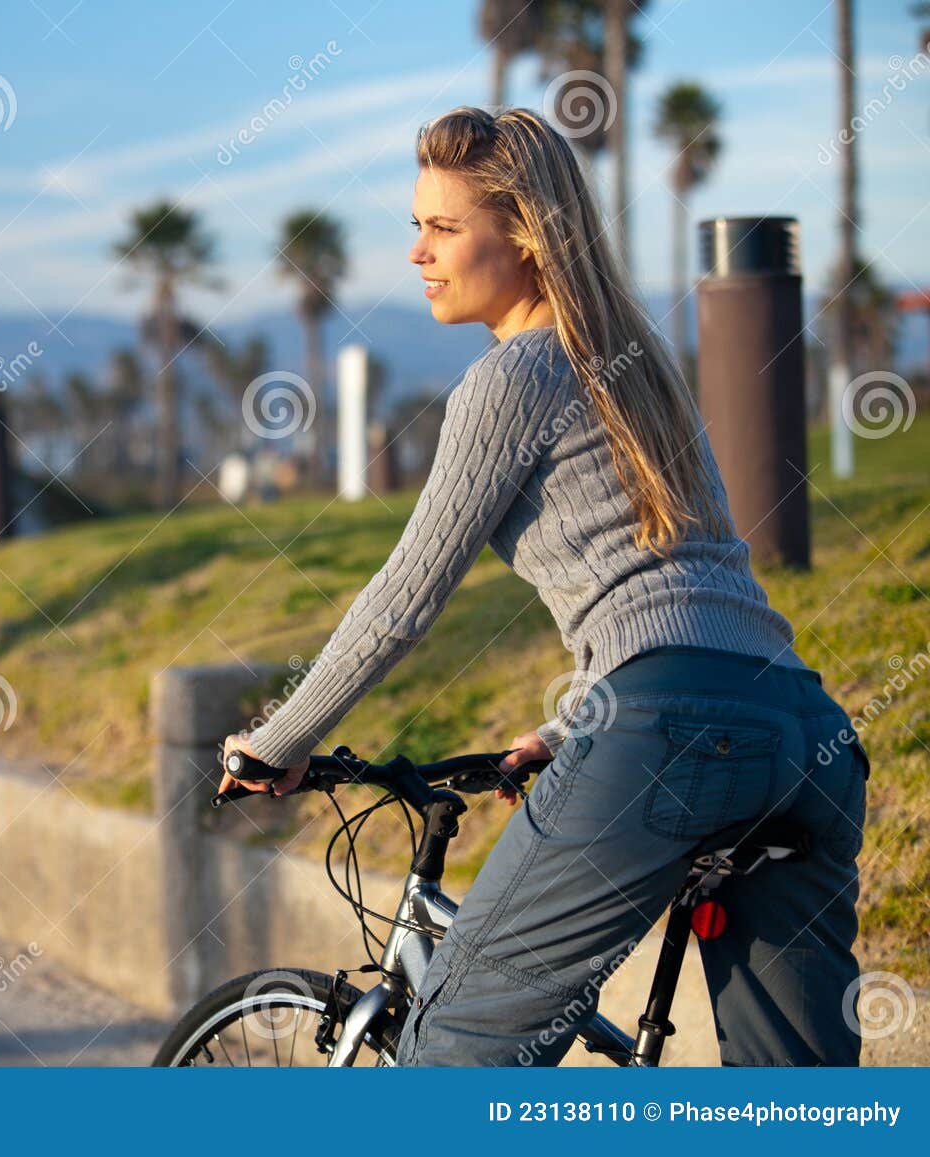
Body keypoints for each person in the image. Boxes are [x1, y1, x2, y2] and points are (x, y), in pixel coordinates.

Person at [217, 106, 869, 1067]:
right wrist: (570, 729)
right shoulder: (643, 370)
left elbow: (403, 601)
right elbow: (686, 580)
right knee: (797, 1095)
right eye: (416, 227)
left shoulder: (509, 378)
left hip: (664, 734)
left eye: (443, 229)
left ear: (524, 232)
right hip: (808, 735)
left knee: (456, 1048)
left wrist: (278, 742)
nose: (416, 254)